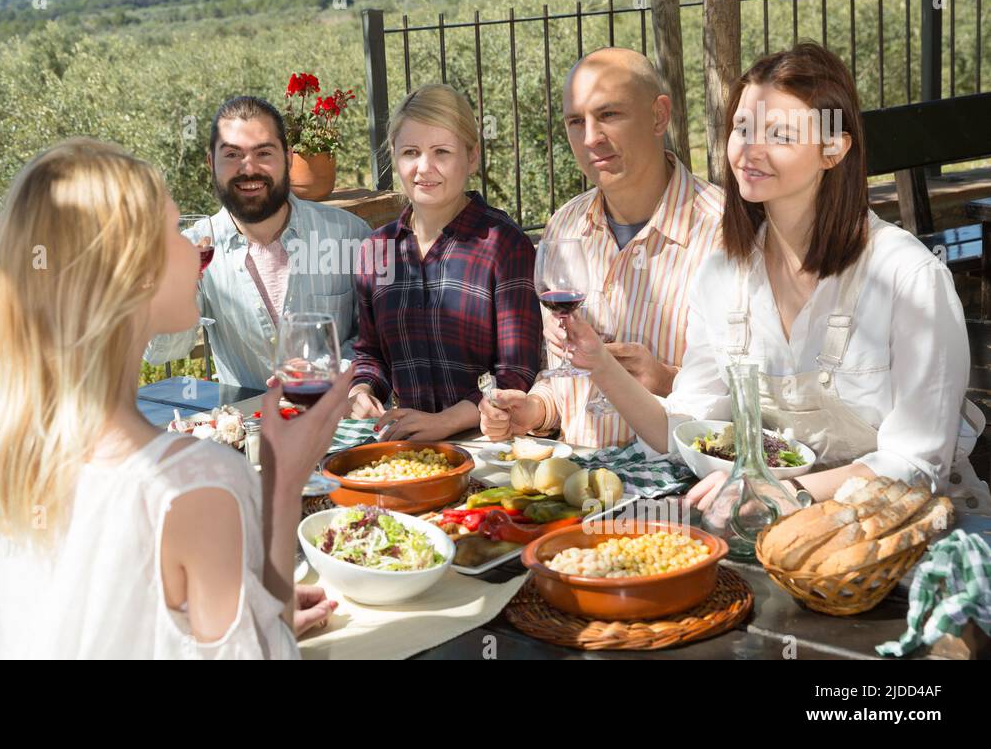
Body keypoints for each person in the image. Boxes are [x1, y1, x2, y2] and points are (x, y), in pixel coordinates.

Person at [0, 138, 346, 659]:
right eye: (174, 231)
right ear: (133, 275)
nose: (192, 248)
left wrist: (253, 604)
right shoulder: (196, 482)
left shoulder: (1, 456)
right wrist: (283, 486)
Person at [563, 42, 991, 512]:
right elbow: (681, 429)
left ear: (834, 148)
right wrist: (599, 364)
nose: (750, 150)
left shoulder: (907, 277)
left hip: (898, 536)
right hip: (764, 525)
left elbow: (916, 463)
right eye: (742, 128)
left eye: (779, 134)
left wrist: (789, 492)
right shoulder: (723, 275)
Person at [478, 47, 724, 449]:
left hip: (676, 491)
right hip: (577, 485)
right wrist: (534, 410)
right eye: (576, 121)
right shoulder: (566, 226)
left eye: (609, 114)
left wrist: (665, 380)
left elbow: (756, 400)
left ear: (659, 115)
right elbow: (561, 380)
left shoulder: (724, 232)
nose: (591, 138)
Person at [349, 83, 541, 441]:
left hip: (491, 445)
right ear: (394, 156)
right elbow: (369, 354)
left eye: (442, 151)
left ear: (472, 156)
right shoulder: (376, 250)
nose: (424, 167)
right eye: (411, 152)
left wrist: (445, 422)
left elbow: (516, 371)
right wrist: (362, 391)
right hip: (404, 448)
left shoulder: (503, 244)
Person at [143, 96, 372, 390]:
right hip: (248, 431)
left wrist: (324, 372)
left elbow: (374, 341)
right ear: (211, 163)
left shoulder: (348, 234)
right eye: (232, 155)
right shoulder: (192, 249)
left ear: (288, 158)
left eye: (263, 153)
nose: (248, 168)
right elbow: (162, 354)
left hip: (339, 422)